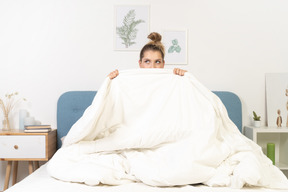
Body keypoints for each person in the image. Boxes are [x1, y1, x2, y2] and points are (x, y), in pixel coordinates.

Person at [108, 32, 187, 79]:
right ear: (140, 63)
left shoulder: (172, 81)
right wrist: (111, 81)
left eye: (157, 62)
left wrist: (185, 77)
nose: (152, 67)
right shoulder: (130, 81)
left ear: (163, 64)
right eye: (147, 61)